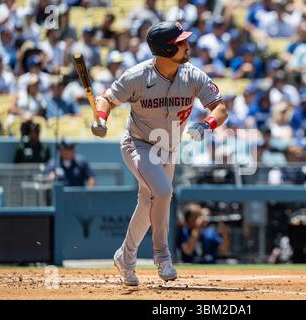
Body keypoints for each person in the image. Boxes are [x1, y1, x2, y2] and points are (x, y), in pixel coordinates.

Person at [91, 21, 228, 286]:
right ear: (166, 49)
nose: (187, 45)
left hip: (169, 149)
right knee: (163, 192)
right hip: (138, 144)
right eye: (180, 43)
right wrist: (100, 119)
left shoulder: (192, 75)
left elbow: (220, 108)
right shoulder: (138, 76)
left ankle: (125, 257)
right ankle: (162, 256)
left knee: (148, 202)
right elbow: (106, 98)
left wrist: (207, 124)